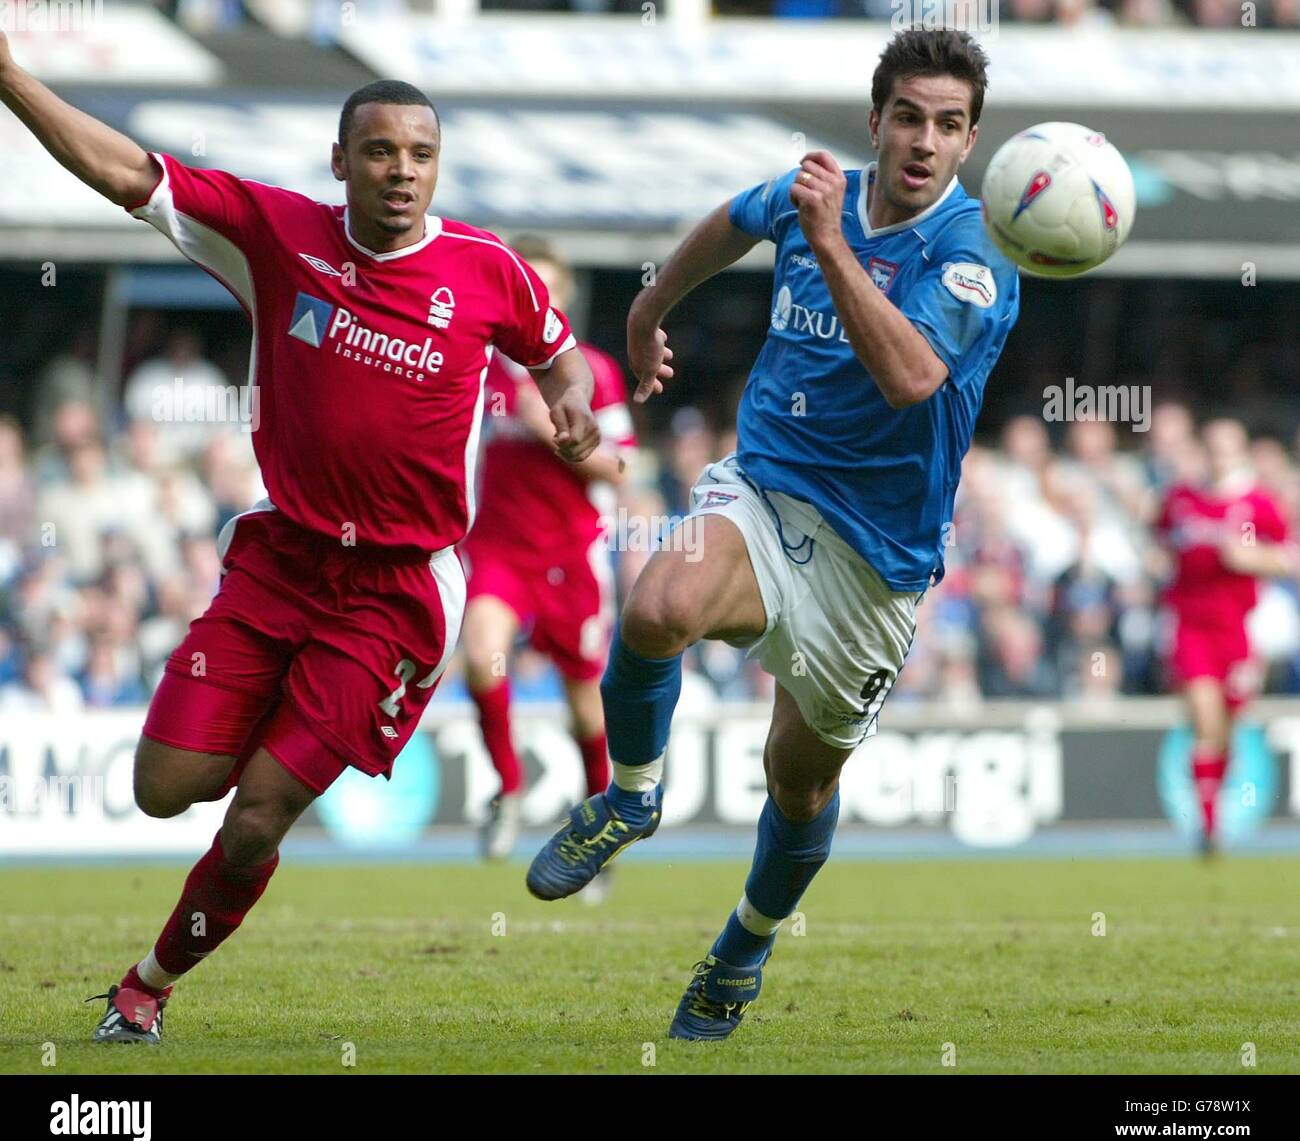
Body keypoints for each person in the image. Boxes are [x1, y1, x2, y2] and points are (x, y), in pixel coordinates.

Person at [0, 31, 600, 1045]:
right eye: (377, 150)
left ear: (435, 166)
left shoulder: (488, 269)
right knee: (162, 790)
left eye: (418, 153)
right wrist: (12, 78)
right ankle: (275, 716)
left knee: (257, 819)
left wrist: (572, 406)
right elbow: (126, 174)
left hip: (396, 592)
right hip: (281, 559)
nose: (399, 170)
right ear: (340, 162)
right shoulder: (274, 233)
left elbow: (559, 356)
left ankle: (145, 988)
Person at [525, 27, 1021, 1040]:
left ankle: (741, 948)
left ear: (969, 141)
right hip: (768, 483)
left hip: (874, 562)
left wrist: (835, 243)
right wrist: (650, 306)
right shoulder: (814, 191)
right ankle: (628, 797)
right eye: (910, 117)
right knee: (659, 603)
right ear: (875, 119)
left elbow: (910, 378)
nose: (925, 140)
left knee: (797, 782)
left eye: (949, 125)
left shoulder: (975, 259)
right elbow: (733, 220)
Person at [457, 237, 635, 866]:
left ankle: (599, 825)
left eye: (549, 289)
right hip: (499, 550)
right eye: (527, 287)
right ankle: (508, 787)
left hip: (573, 557)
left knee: (584, 701)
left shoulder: (594, 372)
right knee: (483, 657)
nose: (539, 300)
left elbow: (620, 471)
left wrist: (560, 437)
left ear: (563, 300)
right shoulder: (477, 370)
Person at [1154, 418, 1296, 856]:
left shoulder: (1258, 504)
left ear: (1241, 452)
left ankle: (1213, 809)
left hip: (1236, 629)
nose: (1219, 455)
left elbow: (1289, 558)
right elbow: (1159, 543)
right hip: (1190, 624)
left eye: (1227, 448)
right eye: (1213, 446)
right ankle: (1209, 824)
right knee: (1204, 714)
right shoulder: (1182, 500)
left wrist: (1250, 558)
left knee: (1226, 726)